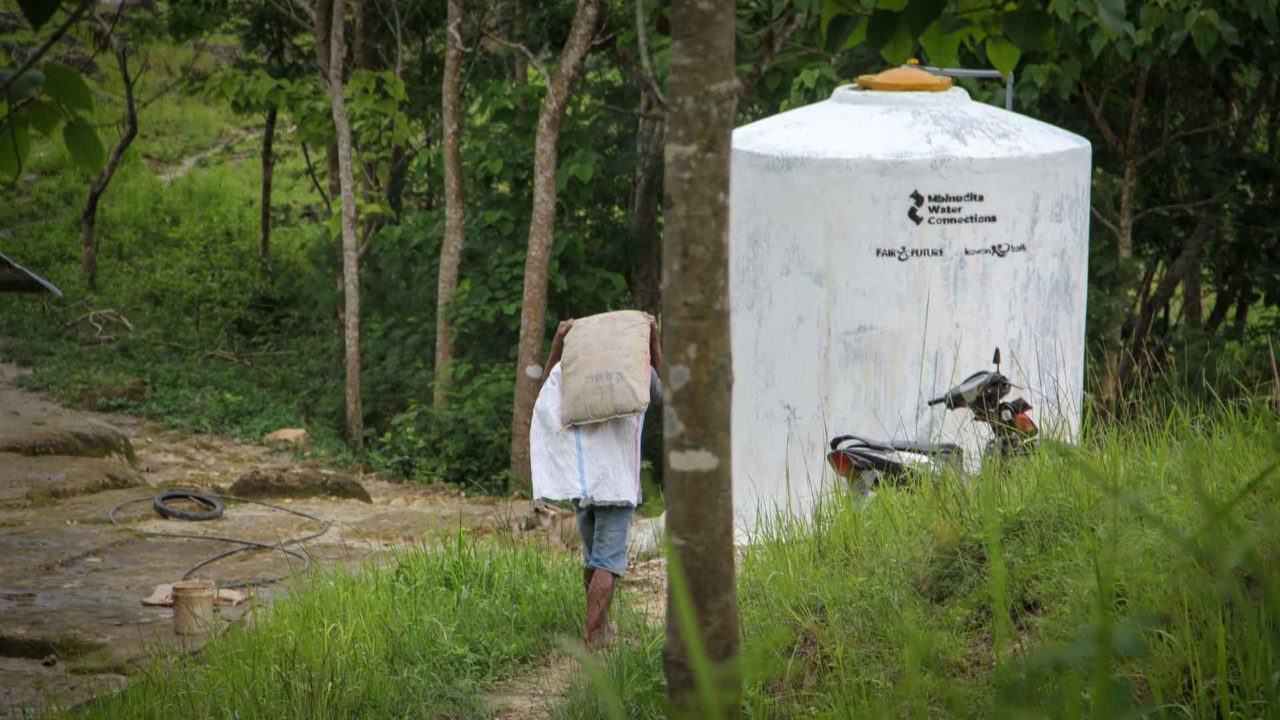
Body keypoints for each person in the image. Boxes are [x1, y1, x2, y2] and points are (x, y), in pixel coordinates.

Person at [530, 315, 662, 648]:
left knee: (593, 560)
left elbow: (547, 390)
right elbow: (664, 391)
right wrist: (654, 342)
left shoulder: (573, 371)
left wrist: (558, 344)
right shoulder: (633, 371)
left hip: (583, 480)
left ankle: (600, 629)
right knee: (606, 563)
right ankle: (593, 638)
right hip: (616, 482)